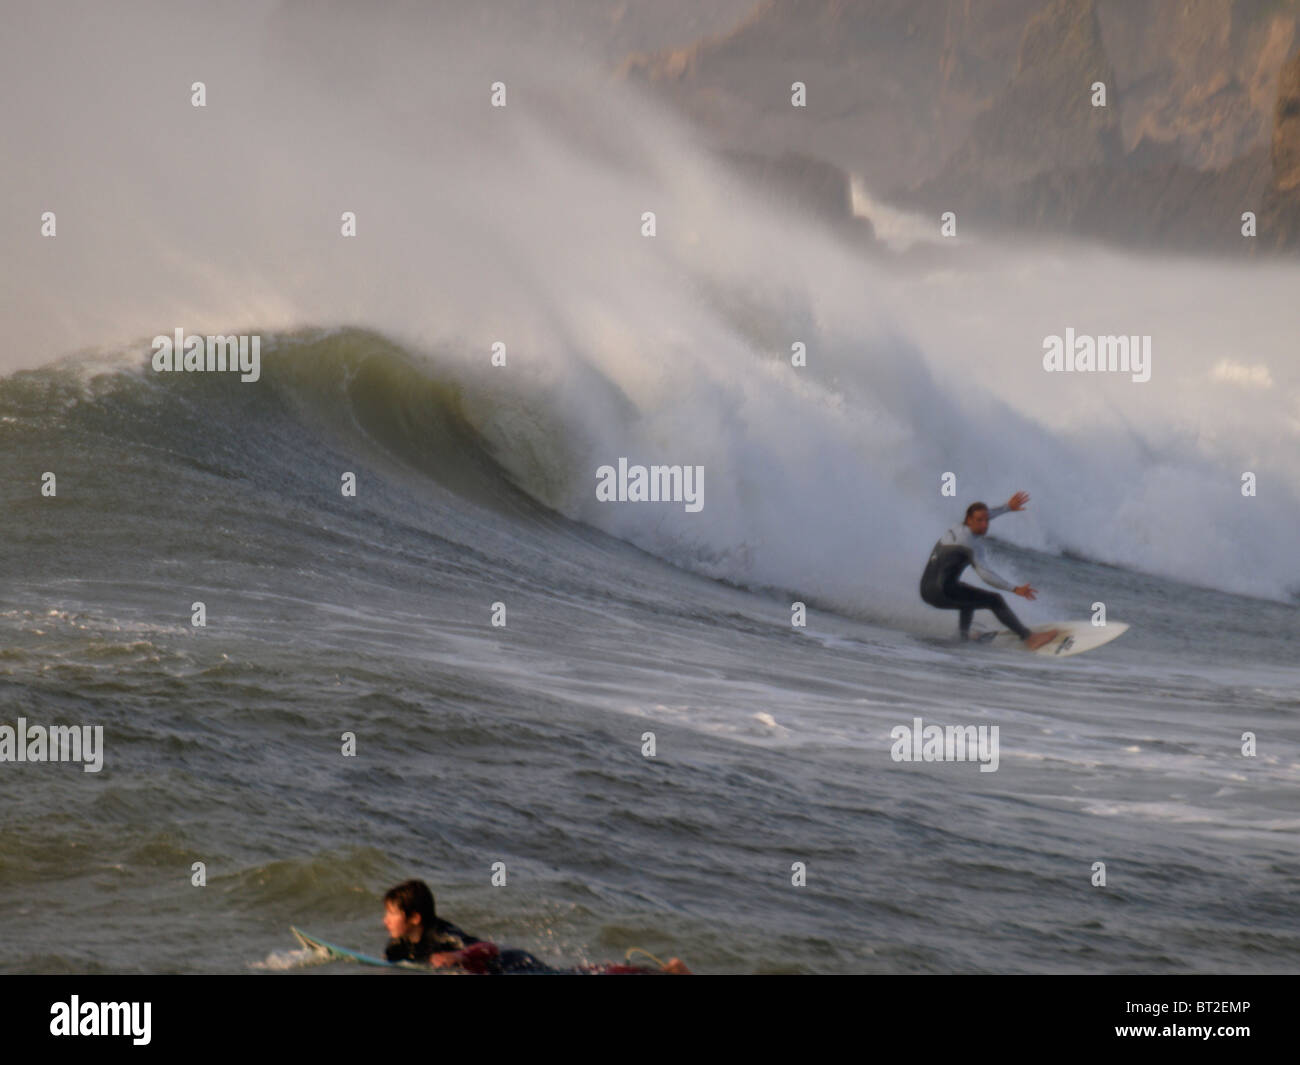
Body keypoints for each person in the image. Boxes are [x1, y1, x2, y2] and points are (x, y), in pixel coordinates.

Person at [919, 491, 1060, 650]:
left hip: (926, 589)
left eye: (987, 521)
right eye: (980, 521)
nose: (985, 524)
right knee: (994, 600)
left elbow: (984, 515)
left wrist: (1007, 507)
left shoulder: (957, 528)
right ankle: (1029, 638)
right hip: (940, 594)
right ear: (970, 521)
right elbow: (985, 574)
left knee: (965, 593)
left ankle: (963, 637)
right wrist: (1014, 589)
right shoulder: (970, 544)